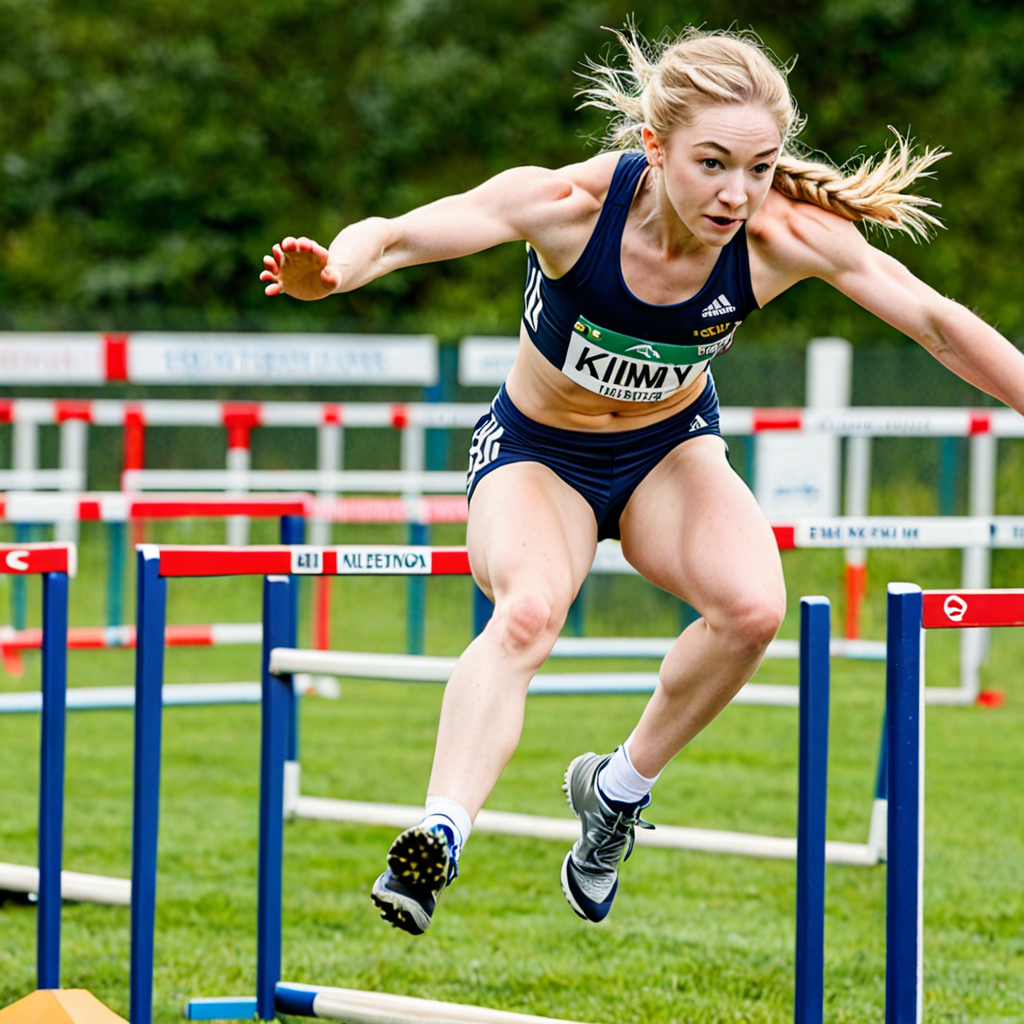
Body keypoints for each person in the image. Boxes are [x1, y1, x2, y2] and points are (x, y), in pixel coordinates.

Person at [261, 24, 1024, 935]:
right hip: (540, 454)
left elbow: (938, 324)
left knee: (753, 608)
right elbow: (394, 235)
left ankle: (616, 792)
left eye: (758, 167)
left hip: (670, 454)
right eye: (712, 164)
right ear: (655, 148)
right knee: (529, 611)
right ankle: (441, 832)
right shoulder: (568, 206)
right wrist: (334, 271)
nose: (735, 193)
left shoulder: (781, 235)